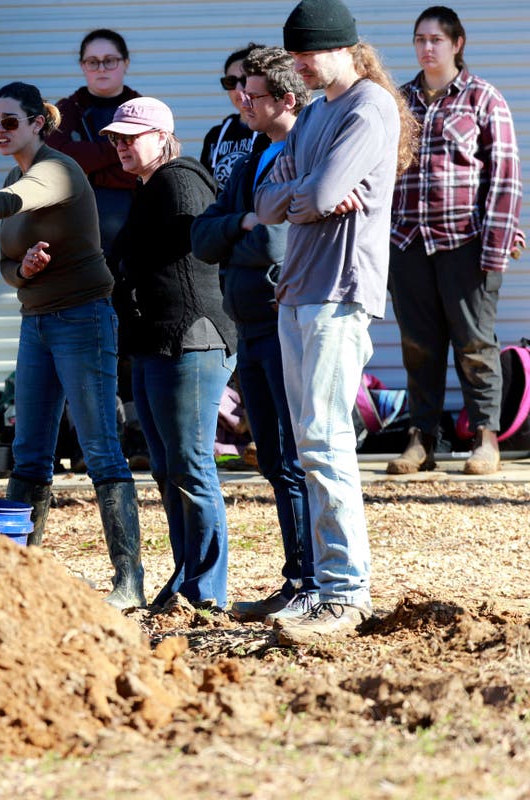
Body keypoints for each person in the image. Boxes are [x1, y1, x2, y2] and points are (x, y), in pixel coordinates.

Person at [0, 82, 145, 609]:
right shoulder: (13, 174)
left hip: (83, 319)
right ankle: (24, 578)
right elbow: (4, 262)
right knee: (29, 454)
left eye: (10, 122)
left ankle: (128, 582)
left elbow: (12, 202)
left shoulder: (58, 170)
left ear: (39, 123)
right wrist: (22, 270)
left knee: (100, 449)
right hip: (36, 322)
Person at [255, 0, 419, 643]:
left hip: (339, 292)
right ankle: (323, 586)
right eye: (292, 58)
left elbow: (316, 195)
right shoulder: (318, 113)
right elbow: (268, 199)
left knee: (325, 442)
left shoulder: (368, 107)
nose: (297, 69)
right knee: (308, 443)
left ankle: (346, 593)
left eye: (306, 57)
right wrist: (308, 196)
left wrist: (308, 194)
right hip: (298, 289)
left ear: (344, 48)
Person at [192, 47, 316, 622]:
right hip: (251, 326)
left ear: (285, 99)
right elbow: (204, 235)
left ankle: (314, 581)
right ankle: (296, 581)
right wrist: (242, 222)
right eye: (239, 87)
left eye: (253, 90)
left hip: (284, 322)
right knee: (273, 461)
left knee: (295, 459)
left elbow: (273, 245)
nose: (242, 98)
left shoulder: (302, 152)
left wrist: (239, 233)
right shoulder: (253, 160)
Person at [105, 97, 234, 609]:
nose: (120, 146)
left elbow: (203, 242)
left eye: (130, 137)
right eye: (115, 139)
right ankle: (186, 578)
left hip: (191, 338)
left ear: (162, 136)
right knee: (167, 467)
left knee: (190, 464)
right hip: (154, 342)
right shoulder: (148, 188)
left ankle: (207, 590)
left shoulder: (179, 179)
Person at [386, 5, 523, 477]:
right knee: (418, 345)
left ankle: (486, 438)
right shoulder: (398, 100)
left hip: (466, 243)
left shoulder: (484, 99)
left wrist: (498, 244)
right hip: (406, 242)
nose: (426, 48)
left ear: (456, 44)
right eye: (420, 39)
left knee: (474, 343)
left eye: (436, 40)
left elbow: (504, 178)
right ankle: (421, 439)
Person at [44, 29, 141, 260]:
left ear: (125, 63)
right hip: (79, 238)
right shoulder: (66, 109)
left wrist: (88, 170)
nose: (101, 69)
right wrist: (121, 150)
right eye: (92, 62)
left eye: (110, 61)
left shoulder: (142, 110)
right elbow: (56, 158)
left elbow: (146, 168)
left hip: (136, 234)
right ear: (82, 66)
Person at [200, 44, 264, 190]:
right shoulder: (215, 135)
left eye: (245, 80)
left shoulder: (275, 132)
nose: (239, 89)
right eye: (230, 81)